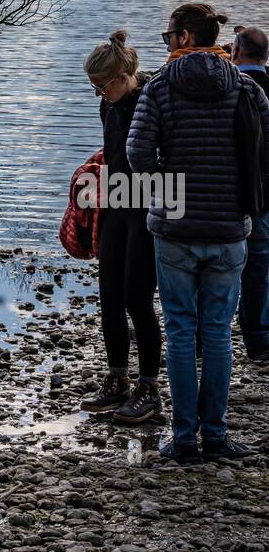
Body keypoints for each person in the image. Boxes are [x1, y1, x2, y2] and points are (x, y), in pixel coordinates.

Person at [127, 2, 269, 463]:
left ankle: (184, 439)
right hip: (230, 227)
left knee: (182, 331)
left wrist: (171, 177)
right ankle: (217, 435)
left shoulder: (159, 88)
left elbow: (138, 156)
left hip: (175, 225)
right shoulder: (247, 89)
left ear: (185, 37)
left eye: (168, 35)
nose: (166, 42)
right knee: (218, 332)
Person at [80, 31, 163, 423]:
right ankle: (117, 379)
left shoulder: (151, 100)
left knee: (138, 297)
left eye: (103, 85)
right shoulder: (109, 106)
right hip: (116, 202)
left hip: (148, 204)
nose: (99, 93)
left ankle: (149, 386)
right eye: (93, 86)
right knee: (109, 294)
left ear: (124, 75)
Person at [231, 26, 269, 362]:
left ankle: (203, 338)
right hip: (266, 195)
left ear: (236, 52)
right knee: (259, 267)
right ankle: (257, 339)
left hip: (226, 194)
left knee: (217, 268)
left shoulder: (230, 87)